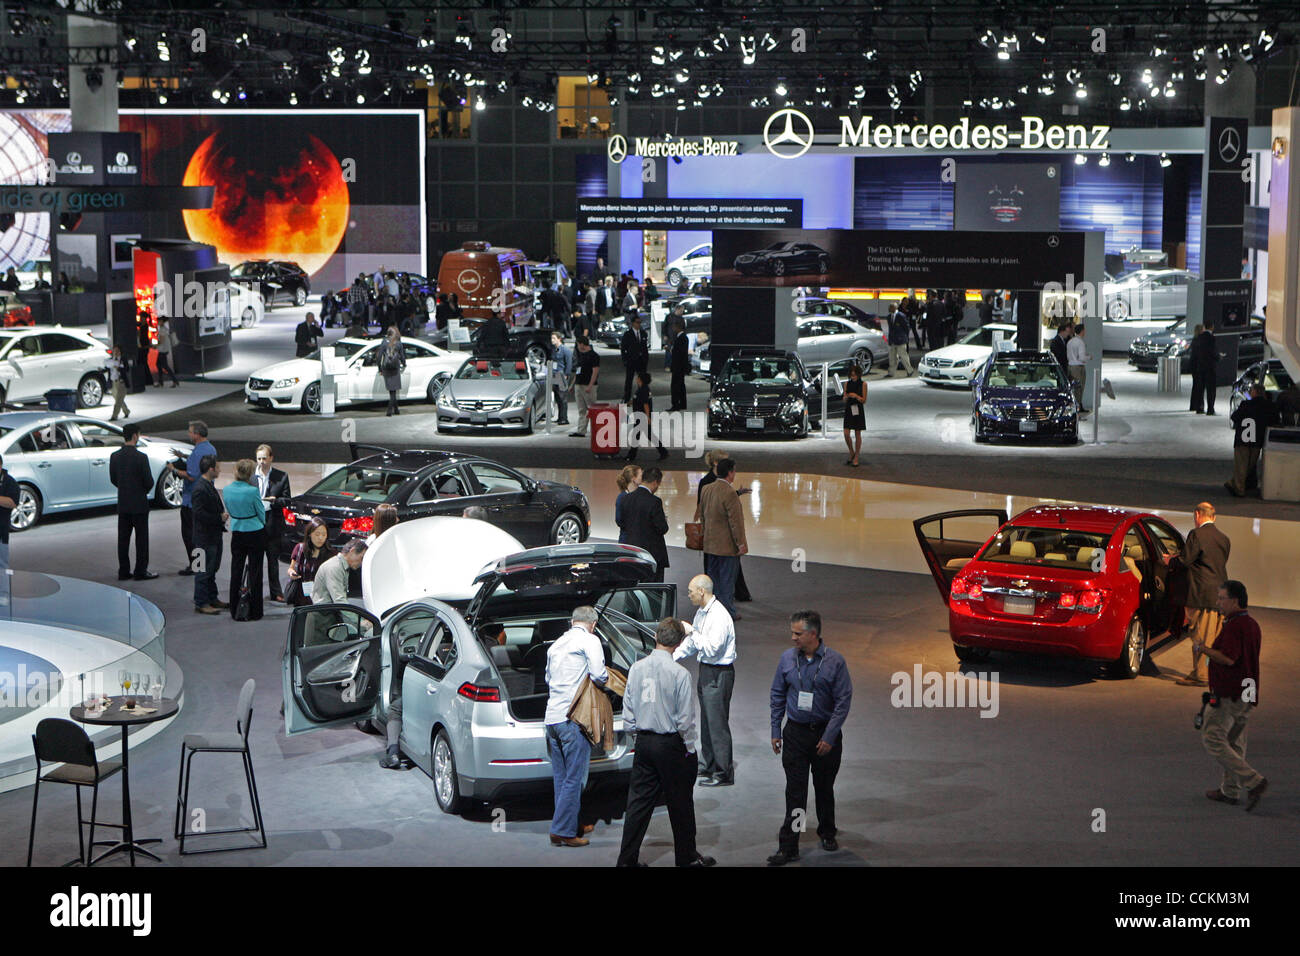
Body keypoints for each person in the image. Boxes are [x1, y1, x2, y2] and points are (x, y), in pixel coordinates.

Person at [617, 617, 715, 868]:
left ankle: (626, 860)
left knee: (638, 805)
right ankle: (686, 858)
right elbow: (685, 719)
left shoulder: (636, 668)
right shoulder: (679, 674)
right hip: (671, 745)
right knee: (681, 803)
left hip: (644, 743)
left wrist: (635, 735)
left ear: (656, 637)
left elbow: (628, 708)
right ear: (679, 643)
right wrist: (690, 748)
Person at [767, 610, 853, 865]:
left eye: (797, 633)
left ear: (813, 634)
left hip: (826, 736)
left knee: (824, 788)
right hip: (795, 734)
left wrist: (829, 736)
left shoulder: (835, 662)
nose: (792, 637)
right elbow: (777, 695)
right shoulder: (786, 659)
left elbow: (843, 702)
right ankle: (790, 844)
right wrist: (775, 730)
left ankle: (827, 831)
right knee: (796, 791)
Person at [1198, 580, 1267, 810]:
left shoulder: (1235, 627)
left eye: (1221, 598)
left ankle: (1253, 781)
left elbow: (1228, 659)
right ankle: (1230, 791)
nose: (1218, 603)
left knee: (1213, 739)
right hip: (1247, 692)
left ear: (1235, 600)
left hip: (1231, 692)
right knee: (1235, 743)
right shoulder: (1251, 624)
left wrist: (1203, 649)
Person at [545, 605, 608, 847]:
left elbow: (548, 679)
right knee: (575, 778)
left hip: (552, 718)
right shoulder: (590, 641)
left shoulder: (554, 645)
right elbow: (599, 674)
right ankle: (562, 831)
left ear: (572, 622)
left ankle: (569, 823)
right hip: (573, 719)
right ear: (593, 625)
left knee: (561, 777)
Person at [674, 574, 736, 786]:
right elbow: (693, 643)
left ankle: (723, 772)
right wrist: (671, 656)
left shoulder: (718, 616)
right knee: (708, 721)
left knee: (717, 723)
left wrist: (692, 631)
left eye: (691, 591)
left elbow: (712, 647)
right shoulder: (702, 612)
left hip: (719, 673)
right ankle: (708, 765)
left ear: (701, 591)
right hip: (708, 670)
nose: (688, 595)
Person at [1160, 502, 1230, 686]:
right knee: (1213, 637)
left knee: (1200, 635)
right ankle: (1206, 672)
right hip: (1220, 593)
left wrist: (1169, 561)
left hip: (1200, 594)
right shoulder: (1224, 538)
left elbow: (1185, 561)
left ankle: (1202, 675)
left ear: (1197, 514)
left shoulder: (1197, 535)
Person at [699, 458, 747, 617]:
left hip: (710, 544)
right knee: (727, 580)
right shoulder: (729, 493)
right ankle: (727, 612)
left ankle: (711, 609)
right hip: (726, 546)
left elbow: (702, 515)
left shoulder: (706, 488)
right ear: (730, 473)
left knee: (713, 579)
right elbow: (736, 522)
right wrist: (741, 543)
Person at [109, 423, 157, 581]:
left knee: (123, 539)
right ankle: (140, 570)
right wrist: (142, 490)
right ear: (136, 436)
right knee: (141, 539)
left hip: (123, 503)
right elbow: (149, 481)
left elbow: (113, 479)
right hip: (139, 504)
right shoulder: (141, 458)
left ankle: (123, 571)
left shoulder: (115, 456)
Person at [168, 421, 216, 577]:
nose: (188, 434)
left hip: (191, 501)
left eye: (190, 432)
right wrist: (184, 457)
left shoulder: (197, 453)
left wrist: (174, 469)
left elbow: (190, 476)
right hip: (205, 497)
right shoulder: (210, 448)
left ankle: (196, 566)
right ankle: (201, 566)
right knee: (201, 535)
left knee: (191, 536)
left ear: (197, 434)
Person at [224, 458, 267, 622]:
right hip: (255, 532)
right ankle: (256, 611)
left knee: (236, 571)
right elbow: (261, 512)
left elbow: (229, 509)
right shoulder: (252, 491)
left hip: (237, 532)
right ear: (249, 474)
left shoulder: (227, 490)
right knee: (255, 572)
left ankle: (234, 608)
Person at [253, 444, 291, 603]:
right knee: (255, 560)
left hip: (273, 523)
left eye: (264, 458)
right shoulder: (250, 477)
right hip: (254, 523)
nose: (261, 462)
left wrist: (275, 501)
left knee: (272, 561)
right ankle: (253, 591)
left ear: (271, 458)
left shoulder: (281, 476)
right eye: (259, 459)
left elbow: (287, 499)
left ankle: (276, 592)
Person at [190, 455, 226, 614]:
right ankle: (202, 602)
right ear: (211, 469)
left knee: (211, 569)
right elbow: (198, 514)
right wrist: (218, 518)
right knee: (203, 571)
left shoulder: (207, 485)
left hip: (213, 536)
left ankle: (212, 598)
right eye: (217, 467)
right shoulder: (200, 488)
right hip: (204, 538)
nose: (219, 470)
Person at [620, 466, 669, 582]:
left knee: (632, 588)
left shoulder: (626, 499)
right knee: (653, 591)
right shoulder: (654, 502)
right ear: (656, 482)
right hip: (651, 554)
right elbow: (662, 528)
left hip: (631, 551)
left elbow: (621, 522)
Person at [1226, 383, 1275, 497]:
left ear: (1254, 392)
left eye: (1251, 390)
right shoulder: (1269, 406)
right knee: (1250, 465)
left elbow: (1234, 417)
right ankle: (1235, 484)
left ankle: (1238, 488)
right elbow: (1274, 420)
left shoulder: (1245, 404)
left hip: (1242, 439)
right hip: (1257, 441)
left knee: (1241, 465)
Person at [286, 518, 334, 607]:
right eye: (317, 534)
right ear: (309, 534)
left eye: (324, 535)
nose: (321, 538)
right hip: (301, 599)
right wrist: (291, 573)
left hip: (321, 601)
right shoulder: (300, 549)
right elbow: (291, 568)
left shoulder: (331, 554)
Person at [627, 369, 667, 461]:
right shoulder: (642, 389)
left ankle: (631, 455)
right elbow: (636, 400)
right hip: (639, 416)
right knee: (645, 435)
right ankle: (663, 452)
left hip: (642, 416)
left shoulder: (643, 390)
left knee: (637, 435)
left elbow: (646, 404)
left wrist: (648, 417)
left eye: (638, 378)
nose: (636, 379)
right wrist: (628, 404)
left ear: (640, 379)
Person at [313, 538, 368, 605]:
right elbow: (339, 600)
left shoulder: (342, 566)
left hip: (327, 611)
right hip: (322, 613)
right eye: (361, 558)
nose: (361, 563)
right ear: (352, 551)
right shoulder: (335, 567)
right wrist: (355, 615)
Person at [568, 337, 601, 436]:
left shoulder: (594, 356)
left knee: (591, 409)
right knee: (582, 409)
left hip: (588, 385)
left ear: (582, 344)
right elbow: (578, 371)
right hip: (579, 384)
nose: (577, 347)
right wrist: (572, 385)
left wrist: (590, 385)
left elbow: (595, 372)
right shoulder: (581, 356)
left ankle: (596, 430)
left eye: (578, 344)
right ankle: (581, 430)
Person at [1189, 324, 1218, 415]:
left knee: (1199, 388)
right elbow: (1212, 352)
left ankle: (1199, 407)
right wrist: (1218, 357)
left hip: (1199, 367)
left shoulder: (1197, 340)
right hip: (1209, 367)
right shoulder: (1211, 338)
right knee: (1210, 389)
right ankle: (1210, 409)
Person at [842, 362, 866, 467]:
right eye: (851, 375)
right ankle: (851, 452)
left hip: (858, 409)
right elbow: (844, 398)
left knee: (857, 433)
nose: (853, 377)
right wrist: (847, 397)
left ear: (858, 375)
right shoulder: (847, 384)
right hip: (849, 408)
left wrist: (856, 396)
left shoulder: (863, 384)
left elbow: (864, 400)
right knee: (846, 433)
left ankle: (856, 456)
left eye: (855, 375)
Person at [378, 327, 406, 416]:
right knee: (393, 390)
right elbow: (402, 357)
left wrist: (380, 368)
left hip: (386, 369)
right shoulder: (398, 343)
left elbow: (379, 357)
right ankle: (390, 410)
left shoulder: (383, 343)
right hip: (395, 368)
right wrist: (404, 364)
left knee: (392, 390)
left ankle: (396, 409)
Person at [620, 313, 648, 404]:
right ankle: (626, 398)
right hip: (631, 361)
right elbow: (623, 348)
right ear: (633, 323)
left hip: (641, 361)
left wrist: (646, 358)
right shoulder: (628, 334)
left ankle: (642, 397)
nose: (639, 324)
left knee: (642, 380)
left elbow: (645, 347)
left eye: (640, 322)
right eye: (637, 322)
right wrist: (625, 360)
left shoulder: (643, 333)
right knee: (629, 380)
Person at [613, 464, 642, 544]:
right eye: (640, 475)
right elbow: (619, 520)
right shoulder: (622, 498)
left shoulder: (640, 496)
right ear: (633, 479)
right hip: (627, 539)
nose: (642, 478)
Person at [549, 331, 573, 425]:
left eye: (554, 338)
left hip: (561, 375)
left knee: (563, 397)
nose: (552, 340)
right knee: (558, 398)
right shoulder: (554, 350)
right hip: (554, 374)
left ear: (559, 339)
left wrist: (566, 374)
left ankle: (564, 418)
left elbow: (569, 363)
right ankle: (560, 417)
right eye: (551, 338)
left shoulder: (565, 350)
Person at [1066, 322, 1090, 413]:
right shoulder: (1080, 342)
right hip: (1078, 367)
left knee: (1073, 388)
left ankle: (1075, 406)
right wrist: (1089, 357)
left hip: (1071, 366)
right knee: (1079, 388)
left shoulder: (1070, 341)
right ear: (1082, 331)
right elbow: (1082, 357)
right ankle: (1078, 406)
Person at [887, 301, 913, 377]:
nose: (889, 308)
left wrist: (904, 337)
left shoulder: (901, 316)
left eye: (891, 307)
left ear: (895, 308)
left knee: (904, 356)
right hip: (893, 340)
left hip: (900, 340)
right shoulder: (889, 317)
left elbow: (907, 327)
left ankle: (909, 370)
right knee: (892, 357)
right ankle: (891, 372)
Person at [0, 455, 17, 571]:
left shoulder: (9, 481)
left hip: (1, 532)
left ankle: (4, 589)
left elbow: (12, 502)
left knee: (2, 566)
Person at [670, 316, 690, 411]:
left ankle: (676, 404)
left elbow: (679, 353)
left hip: (678, 366)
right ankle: (682, 403)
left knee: (675, 385)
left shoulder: (681, 338)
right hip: (681, 366)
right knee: (681, 385)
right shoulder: (684, 338)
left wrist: (671, 350)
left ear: (678, 327)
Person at [154, 316, 179, 387]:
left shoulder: (162, 330)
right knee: (159, 365)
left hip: (163, 350)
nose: (158, 322)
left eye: (159, 321)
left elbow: (161, 341)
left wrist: (154, 345)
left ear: (162, 321)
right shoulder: (164, 329)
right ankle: (161, 381)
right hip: (164, 349)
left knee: (164, 366)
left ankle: (174, 380)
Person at [108, 347, 131, 421]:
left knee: (119, 400)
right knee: (118, 399)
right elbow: (108, 368)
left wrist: (119, 368)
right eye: (114, 351)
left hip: (121, 382)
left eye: (117, 351)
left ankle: (114, 415)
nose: (115, 352)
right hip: (113, 382)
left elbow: (127, 369)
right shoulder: (111, 360)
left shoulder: (123, 360)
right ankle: (126, 411)